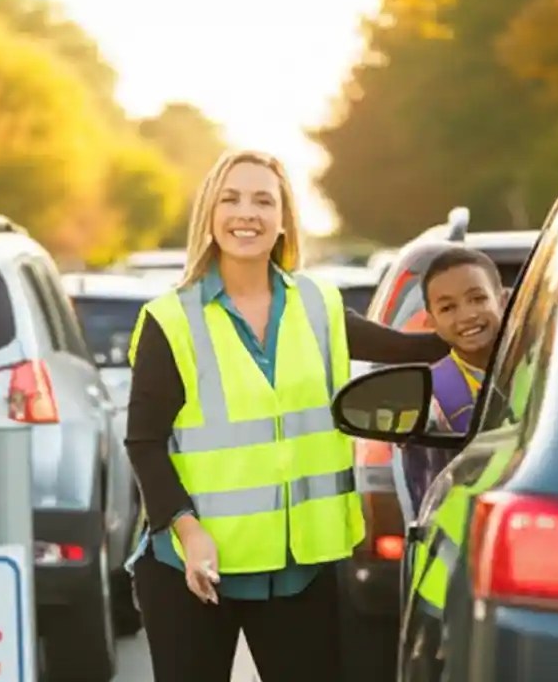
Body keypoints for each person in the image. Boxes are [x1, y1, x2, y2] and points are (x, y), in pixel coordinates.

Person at [124, 149, 447, 682]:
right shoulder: (170, 319)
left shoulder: (318, 304)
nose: (245, 213)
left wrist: (479, 334)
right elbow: (144, 443)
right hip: (193, 568)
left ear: (282, 220)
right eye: (230, 199)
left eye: (262, 201)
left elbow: (407, 349)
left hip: (299, 570)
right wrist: (188, 532)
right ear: (209, 213)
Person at [398, 247, 507, 520]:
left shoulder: (543, 369)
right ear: (431, 321)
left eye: (478, 299)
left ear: (503, 301)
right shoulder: (430, 393)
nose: (467, 315)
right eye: (448, 308)